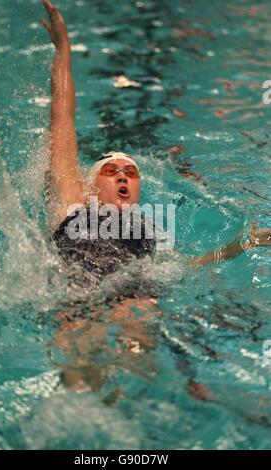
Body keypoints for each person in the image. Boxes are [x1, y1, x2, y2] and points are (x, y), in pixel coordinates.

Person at [40, 0, 271, 394]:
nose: (123, 175)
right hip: (77, 297)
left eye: (131, 172)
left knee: (141, 320)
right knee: (78, 341)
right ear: (91, 184)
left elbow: (182, 268)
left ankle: (138, 406)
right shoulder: (73, 206)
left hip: (135, 295)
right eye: (111, 171)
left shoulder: (147, 229)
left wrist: (241, 245)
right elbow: (64, 119)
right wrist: (63, 51)